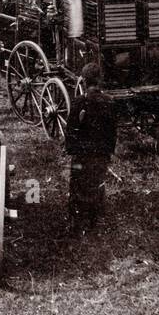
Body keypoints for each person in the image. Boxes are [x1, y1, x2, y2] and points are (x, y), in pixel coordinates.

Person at [63, 63, 117, 232]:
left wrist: (72, 150)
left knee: (77, 185)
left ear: (84, 81)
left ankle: (76, 222)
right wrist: (109, 152)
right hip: (100, 154)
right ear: (99, 80)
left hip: (81, 155)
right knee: (97, 183)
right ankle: (94, 221)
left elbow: (70, 131)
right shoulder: (110, 102)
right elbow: (112, 132)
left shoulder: (79, 102)